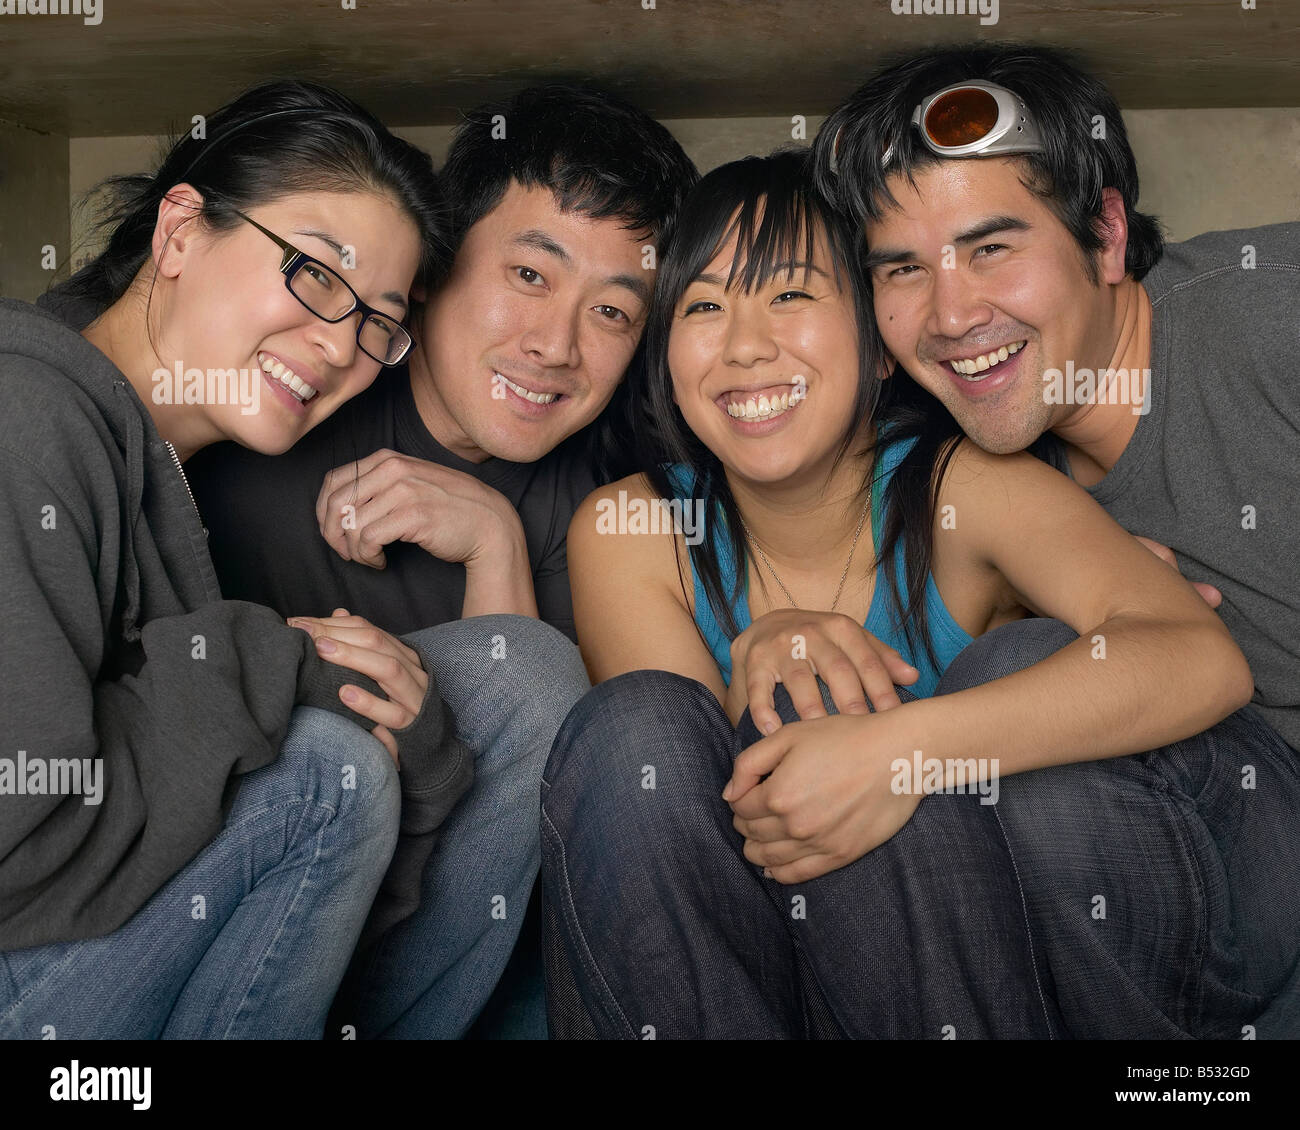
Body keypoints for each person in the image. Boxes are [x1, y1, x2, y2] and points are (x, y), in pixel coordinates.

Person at [539, 147, 1257, 1039]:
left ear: (881, 351)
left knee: (847, 716)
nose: (745, 345)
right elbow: (685, 822)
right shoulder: (632, 528)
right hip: (742, 982)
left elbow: (1199, 657)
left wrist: (899, 751)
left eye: (792, 295)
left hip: (951, 960)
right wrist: (762, 667)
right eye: (705, 304)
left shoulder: (962, 487)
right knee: (648, 723)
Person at [176, 84, 698, 1038]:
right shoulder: (278, 393)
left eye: (614, 313)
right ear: (432, 269)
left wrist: (493, 541)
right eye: (531, 277)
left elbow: (547, 825)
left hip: (458, 963)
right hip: (235, 937)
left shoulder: (624, 504)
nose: (554, 347)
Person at [808, 43, 1300, 1038]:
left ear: (1106, 234)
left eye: (992, 247)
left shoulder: (1268, 320)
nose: (951, 316)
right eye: (902, 267)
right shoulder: (962, 478)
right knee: (1029, 685)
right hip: (1242, 894)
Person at [0, 80, 470, 1039]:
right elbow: (22, 832)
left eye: (377, 321)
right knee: (325, 774)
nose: (341, 347)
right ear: (179, 234)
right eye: (315, 274)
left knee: (512, 682)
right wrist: (280, 663)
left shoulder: (161, 465)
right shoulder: (29, 416)